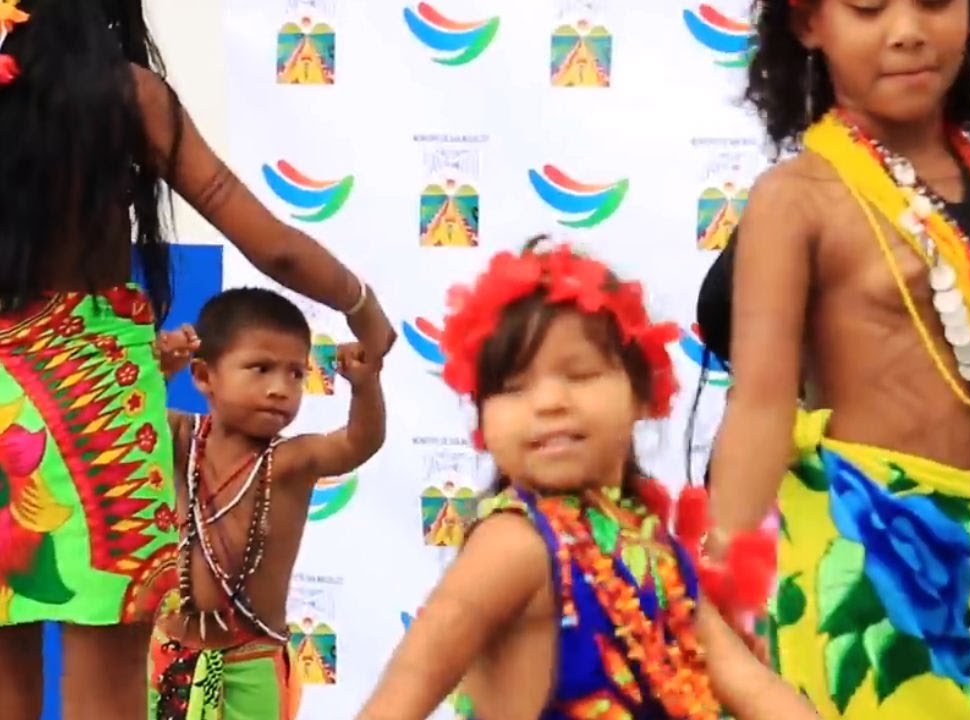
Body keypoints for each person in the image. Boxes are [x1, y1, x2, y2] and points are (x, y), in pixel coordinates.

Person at [699, 1, 970, 716]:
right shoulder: (796, 199)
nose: (905, 30)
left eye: (933, 1)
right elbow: (761, 408)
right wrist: (717, 594)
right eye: (867, 5)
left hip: (948, 582)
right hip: (848, 571)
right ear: (808, 23)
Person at [0, 2, 394, 718]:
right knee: (106, 696)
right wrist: (360, 302)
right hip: (98, 412)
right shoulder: (127, 95)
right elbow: (269, 244)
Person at [358, 240, 815, 720]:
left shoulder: (651, 546)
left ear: (644, 394)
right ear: (483, 421)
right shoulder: (515, 542)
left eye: (579, 374)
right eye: (513, 388)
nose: (548, 402)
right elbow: (407, 687)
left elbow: (750, 684)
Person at [146, 288, 386, 720]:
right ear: (203, 376)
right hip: (169, 652)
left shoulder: (291, 461)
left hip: (252, 662)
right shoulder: (182, 439)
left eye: (296, 374)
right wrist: (157, 373)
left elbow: (358, 442)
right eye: (261, 369)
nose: (281, 389)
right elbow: (131, 422)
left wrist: (365, 386)